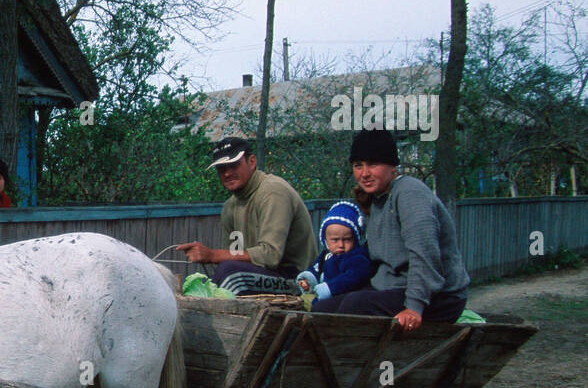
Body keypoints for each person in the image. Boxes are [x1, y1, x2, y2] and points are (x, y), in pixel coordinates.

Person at [311, 128, 469, 329]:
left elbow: (425, 254)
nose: (365, 173)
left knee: (355, 305)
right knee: (323, 308)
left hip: (438, 297)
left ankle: (352, 359)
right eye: (358, 166)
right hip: (395, 287)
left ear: (392, 166)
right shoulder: (377, 198)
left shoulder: (410, 194)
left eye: (373, 164)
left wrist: (414, 306)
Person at [178, 136, 317, 295]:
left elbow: (270, 256)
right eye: (222, 169)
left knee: (230, 273)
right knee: (202, 281)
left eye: (234, 165)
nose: (227, 173)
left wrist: (212, 255)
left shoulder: (273, 192)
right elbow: (234, 254)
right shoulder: (230, 207)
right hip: (259, 275)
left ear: (252, 161)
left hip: (297, 280)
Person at [296, 200, 373, 301]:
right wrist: (307, 281)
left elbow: (352, 278)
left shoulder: (357, 257)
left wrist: (329, 288)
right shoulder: (326, 256)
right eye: (335, 240)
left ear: (355, 239)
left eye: (347, 239)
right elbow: (316, 269)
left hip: (344, 297)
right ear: (326, 240)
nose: (341, 245)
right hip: (324, 296)